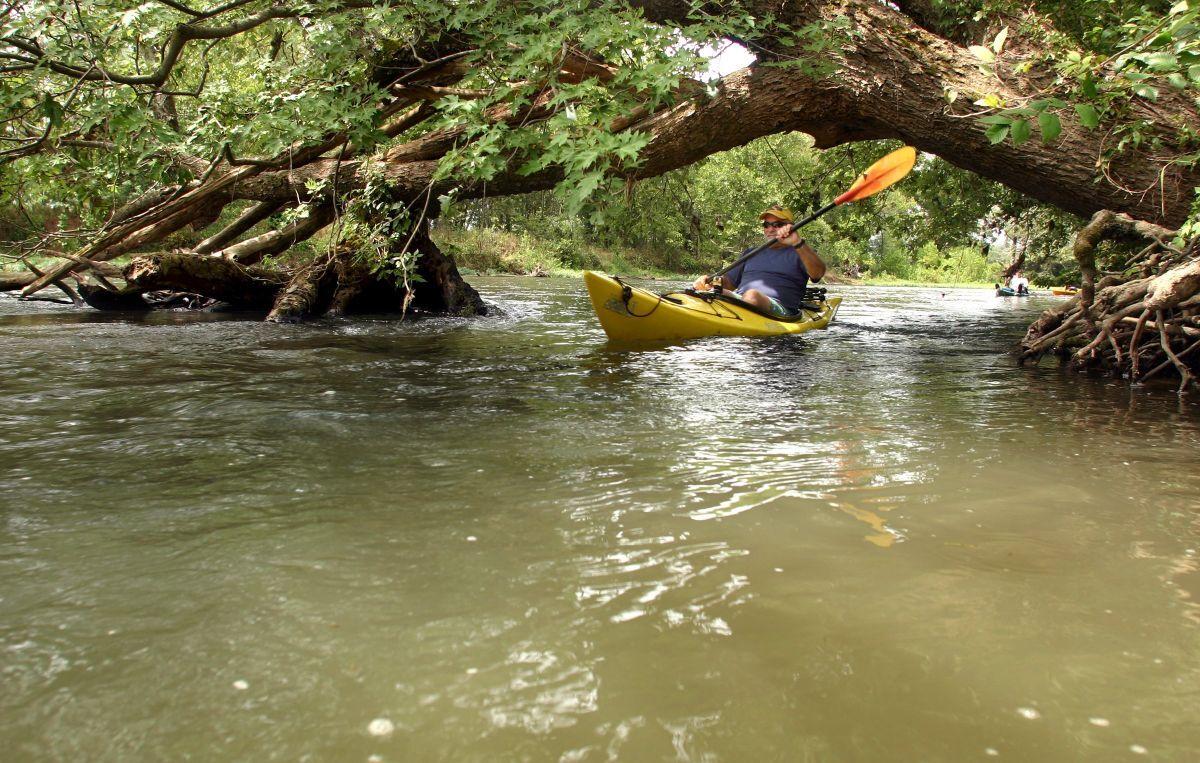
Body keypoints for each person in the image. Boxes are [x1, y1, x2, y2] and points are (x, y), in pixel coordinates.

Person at [692, 206, 827, 317]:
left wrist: (797, 242)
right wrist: (710, 281)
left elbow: (818, 274)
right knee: (712, 290)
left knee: (752, 295)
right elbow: (728, 283)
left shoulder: (801, 251)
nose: (770, 229)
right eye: (766, 225)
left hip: (780, 310)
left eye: (778, 224)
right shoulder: (751, 252)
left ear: (790, 227)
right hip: (741, 302)